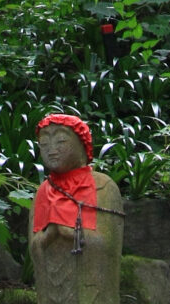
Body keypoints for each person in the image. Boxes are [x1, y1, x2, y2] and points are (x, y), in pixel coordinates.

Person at [29, 114, 124, 304]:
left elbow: (110, 244)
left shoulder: (102, 185)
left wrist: (71, 233)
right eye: (44, 144)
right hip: (52, 286)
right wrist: (46, 237)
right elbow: (34, 245)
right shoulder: (43, 191)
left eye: (61, 141)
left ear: (81, 144)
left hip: (89, 288)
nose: (52, 150)